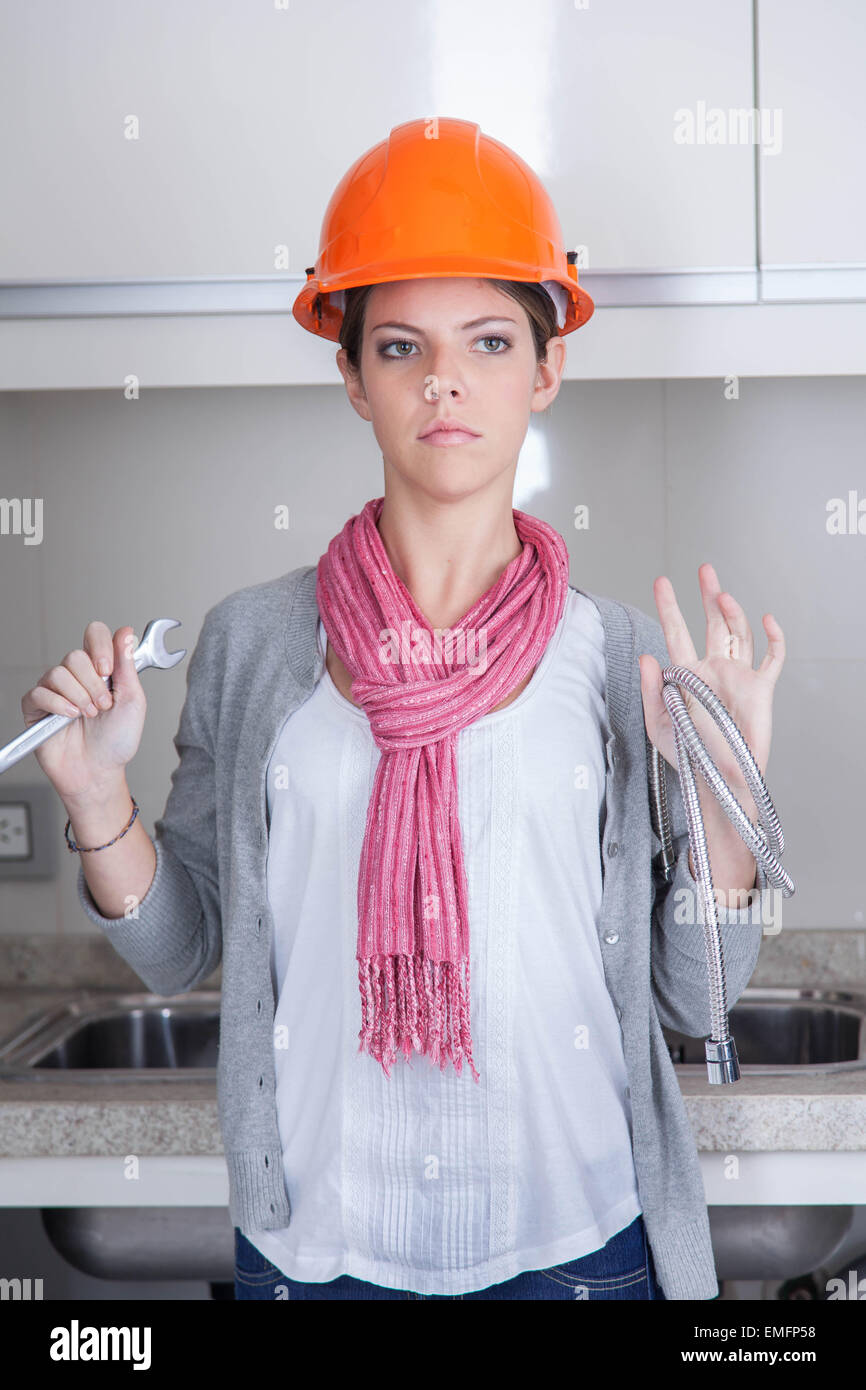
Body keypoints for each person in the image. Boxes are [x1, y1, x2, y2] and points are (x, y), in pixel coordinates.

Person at [26, 118, 783, 1301]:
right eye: (398, 345)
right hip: (320, 1253)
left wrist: (728, 793)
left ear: (544, 368)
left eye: (487, 341)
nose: (443, 381)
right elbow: (182, 951)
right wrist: (96, 797)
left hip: (579, 1247)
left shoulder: (619, 658)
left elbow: (696, 999)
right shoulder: (253, 645)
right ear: (350, 373)